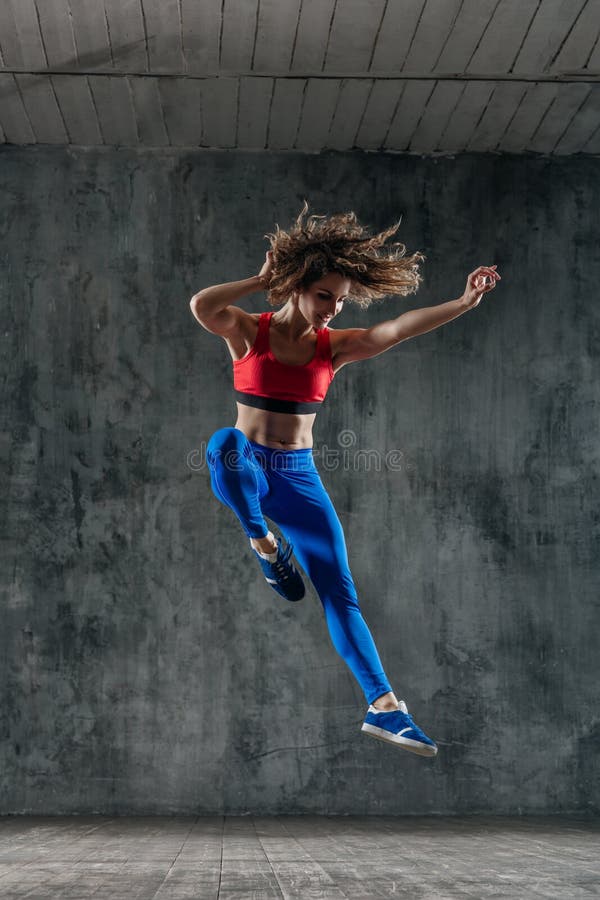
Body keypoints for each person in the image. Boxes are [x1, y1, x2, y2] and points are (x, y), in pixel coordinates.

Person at [190, 201, 500, 757]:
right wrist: (262, 278)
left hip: (299, 477)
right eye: (323, 296)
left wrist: (464, 300)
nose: (332, 309)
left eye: (340, 299)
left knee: (340, 593)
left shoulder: (334, 348)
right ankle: (263, 543)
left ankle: (386, 709)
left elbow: (398, 328)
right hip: (249, 472)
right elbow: (202, 304)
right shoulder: (246, 332)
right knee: (223, 445)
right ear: (295, 289)